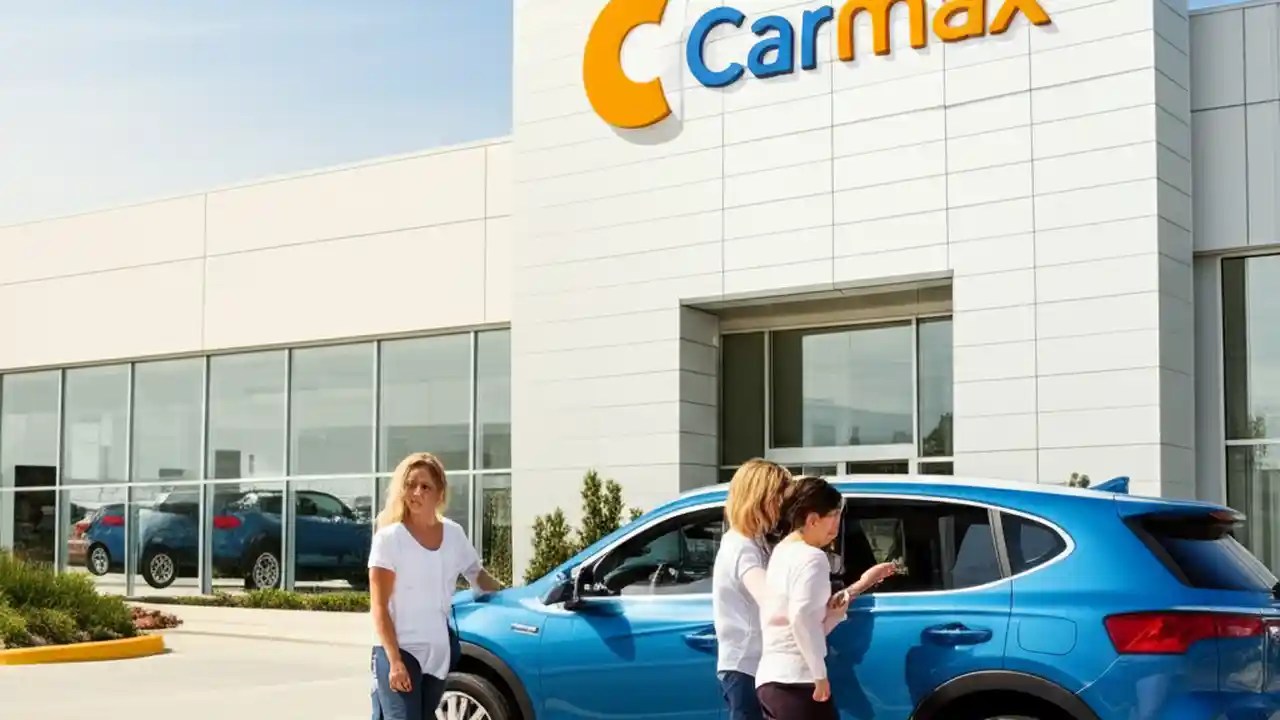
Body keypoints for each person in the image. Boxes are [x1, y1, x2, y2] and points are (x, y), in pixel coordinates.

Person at [367, 452, 505, 720]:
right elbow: (379, 607)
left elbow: (478, 576)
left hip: (438, 655)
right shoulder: (389, 539)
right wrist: (394, 662)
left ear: (439, 494)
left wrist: (515, 594)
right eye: (410, 485)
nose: (416, 492)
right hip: (400, 650)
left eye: (425, 486)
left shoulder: (453, 534)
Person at [755, 476, 896, 720]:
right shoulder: (812, 557)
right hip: (798, 680)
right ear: (812, 520)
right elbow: (801, 619)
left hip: (773, 678)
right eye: (834, 517)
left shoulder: (782, 552)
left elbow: (800, 617)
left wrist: (860, 585)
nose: (836, 527)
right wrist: (819, 675)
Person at [713, 458, 793, 720]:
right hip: (745, 666)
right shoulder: (741, 547)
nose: (784, 506)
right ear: (762, 499)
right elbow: (769, 599)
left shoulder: (756, 541)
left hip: (755, 664)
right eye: (780, 497)